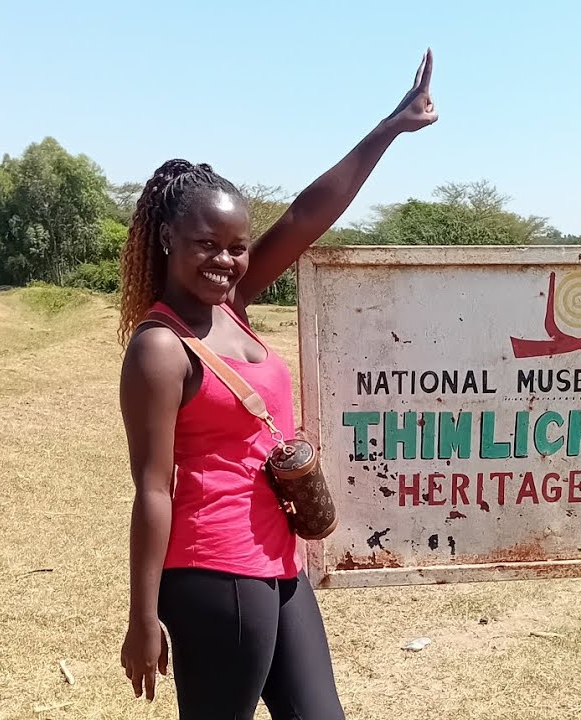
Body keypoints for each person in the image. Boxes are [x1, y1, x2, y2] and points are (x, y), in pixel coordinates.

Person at [116, 50, 437, 719]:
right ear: (170, 239)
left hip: (279, 563)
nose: (228, 260)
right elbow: (152, 488)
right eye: (210, 243)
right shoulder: (161, 348)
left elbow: (306, 215)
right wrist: (142, 617)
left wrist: (388, 128)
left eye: (237, 245)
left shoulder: (231, 308)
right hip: (214, 573)